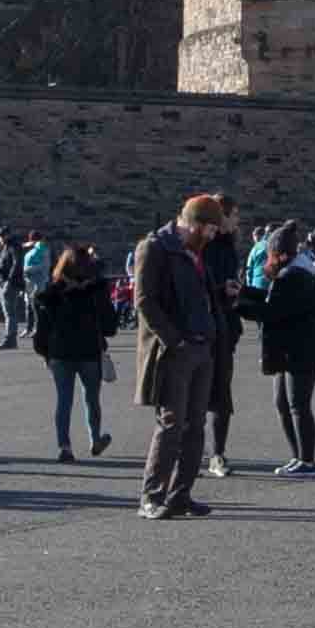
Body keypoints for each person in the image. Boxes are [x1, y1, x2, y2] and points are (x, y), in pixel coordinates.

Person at [131, 193, 230, 514]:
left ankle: (180, 494)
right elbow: (144, 301)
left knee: (195, 425)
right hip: (174, 351)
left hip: (203, 346)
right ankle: (152, 496)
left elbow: (194, 296)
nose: (213, 237)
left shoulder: (193, 252)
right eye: (211, 230)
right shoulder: (155, 247)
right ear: (194, 224)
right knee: (171, 425)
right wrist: (175, 341)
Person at [254, 224, 315, 474]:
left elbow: (273, 312)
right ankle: (298, 456)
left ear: (279, 253)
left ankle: (307, 460)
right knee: (283, 403)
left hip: (302, 349)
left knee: (298, 404)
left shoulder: (292, 276)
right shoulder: (296, 271)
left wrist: (241, 301)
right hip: (294, 347)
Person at [33, 237, 119, 459]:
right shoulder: (96, 291)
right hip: (89, 351)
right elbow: (110, 326)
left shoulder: (52, 294)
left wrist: (44, 352)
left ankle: (64, 446)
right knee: (92, 399)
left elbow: (42, 328)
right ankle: (95, 438)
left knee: (64, 400)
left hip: (60, 353)